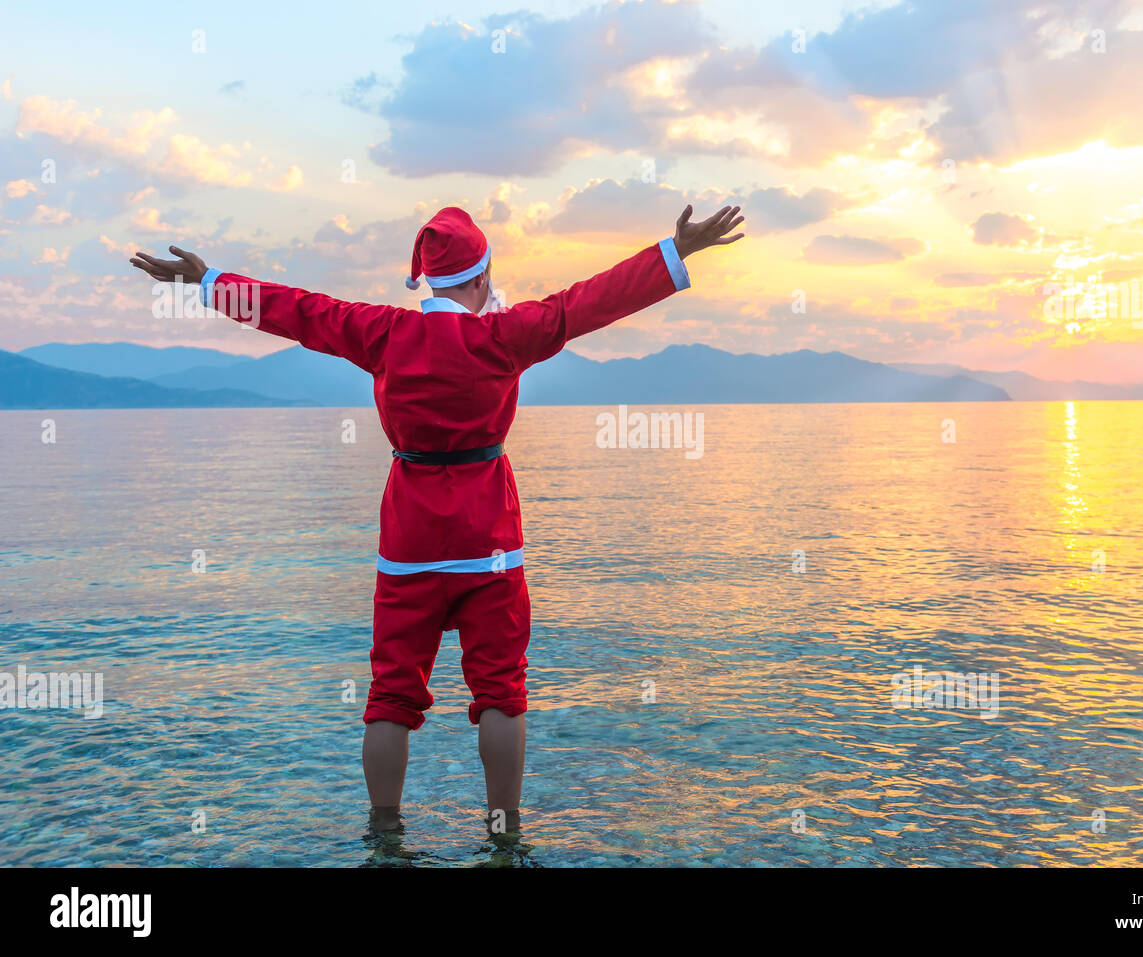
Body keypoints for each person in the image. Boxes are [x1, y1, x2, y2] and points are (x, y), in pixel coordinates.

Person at [129, 203, 745, 843]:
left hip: (409, 543)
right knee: (502, 693)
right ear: (481, 279)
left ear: (427, 279)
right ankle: (504, 832)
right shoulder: (505, 335)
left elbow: (299, 311)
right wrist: (673, 253)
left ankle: (384, 834)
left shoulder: (381, 333)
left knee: (392, 694)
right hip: (489, 545)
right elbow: (585, 304)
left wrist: (208, 282)